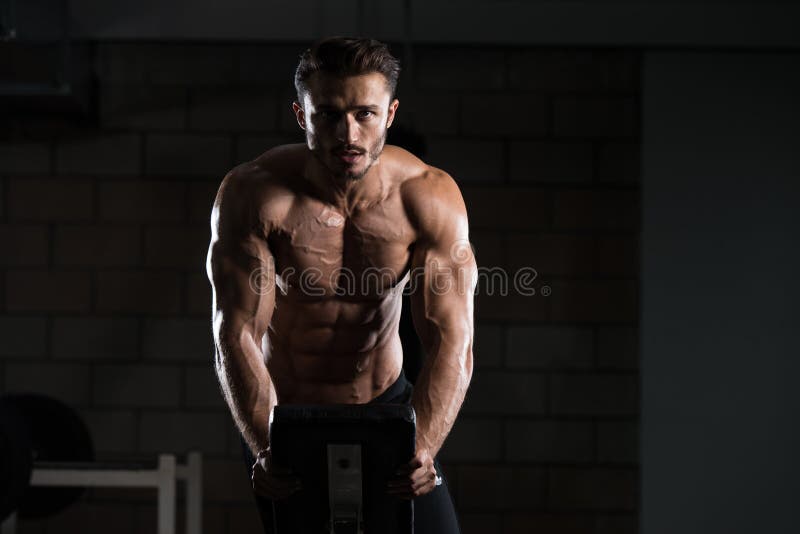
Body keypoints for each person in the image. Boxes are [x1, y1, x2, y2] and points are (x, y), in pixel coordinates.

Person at [206, 36, 476, 534]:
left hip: (387, 409)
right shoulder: (254, 195)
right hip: (284, 414)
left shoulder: (427, 197)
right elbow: (236, 333)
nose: (347, 134)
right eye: (327, 115)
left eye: (365, 114)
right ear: (300, 113)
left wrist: (424, 445)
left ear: (390, 114)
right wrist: (265, 442)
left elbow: (451, 340)